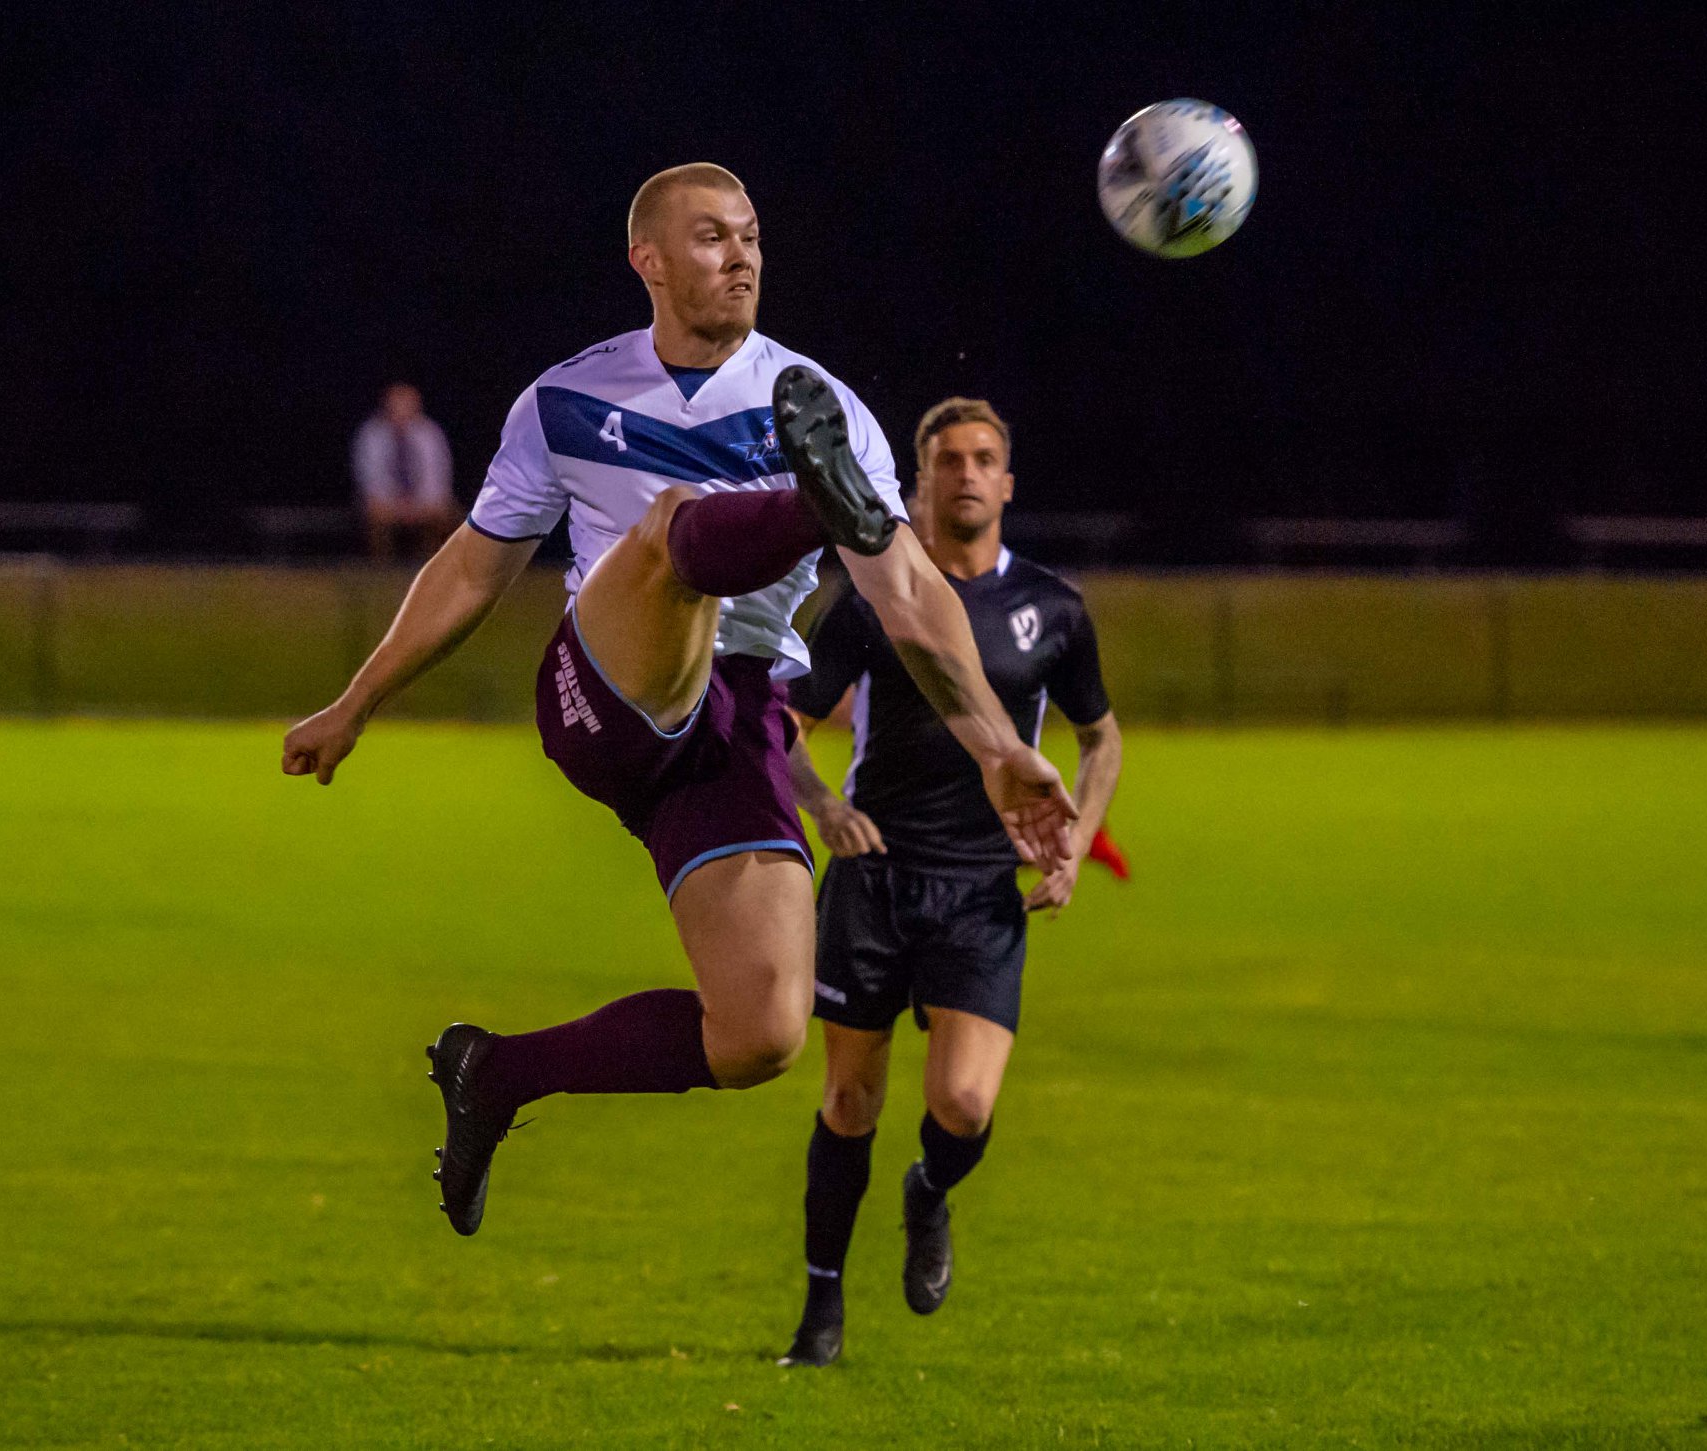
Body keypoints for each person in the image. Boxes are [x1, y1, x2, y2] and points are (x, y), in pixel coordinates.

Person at [281, 165, 1078, 1245]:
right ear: (646, 261)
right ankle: (809, 503)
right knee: (669, 530)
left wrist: (992, 745)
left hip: (734, 720)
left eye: (750, 236)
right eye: (710, 237)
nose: (741, 255)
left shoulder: (822, 399)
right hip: (605, 691)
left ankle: (497, 1073)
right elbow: (473, 568)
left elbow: (906, 591)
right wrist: (356, 699)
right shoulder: (565, 399)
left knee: (761, 1031)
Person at [777, 396, 1124, 1367]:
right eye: (947, 460)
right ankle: (820, 1308)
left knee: (964, 1104)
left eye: (982, 459)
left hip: (980, 887)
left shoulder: (1053, 608)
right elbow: (781, 724)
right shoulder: (879, 597)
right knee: (848, 1100)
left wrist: (1075, 843)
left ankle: (927, 1190)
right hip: (873, 876)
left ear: (1006, 481)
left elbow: (1101, 736)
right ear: (917, 480)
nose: (965, 474)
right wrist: (822, 807)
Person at [352, 383, 458, 561]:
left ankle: (432, 565)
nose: (400, 411)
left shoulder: (429, 433)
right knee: (374, 514)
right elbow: (370, 479)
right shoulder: (371, 434)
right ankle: (381, 568)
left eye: (406, 405)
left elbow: (437, 477)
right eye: (396, 405)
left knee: (447, 514)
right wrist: (397, 504)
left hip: (423, 501)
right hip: (386, 502)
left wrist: (418, 505)